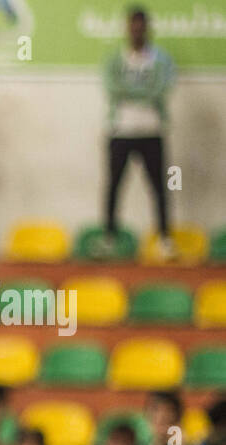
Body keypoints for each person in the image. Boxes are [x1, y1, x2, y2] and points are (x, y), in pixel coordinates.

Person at [103, 6, 177, 259]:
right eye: (132, 26)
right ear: (127, 29)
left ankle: (165, 240)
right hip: (120, 131)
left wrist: (132, 92)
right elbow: (113, 89)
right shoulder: (115, 60)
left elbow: (161, 90)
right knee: (113, 186)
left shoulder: (161, 59)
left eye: (140, 26)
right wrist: (143, 92)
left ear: (147, 28)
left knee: (160, 187)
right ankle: (109, 237)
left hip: (152, 131)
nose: (136, 31)